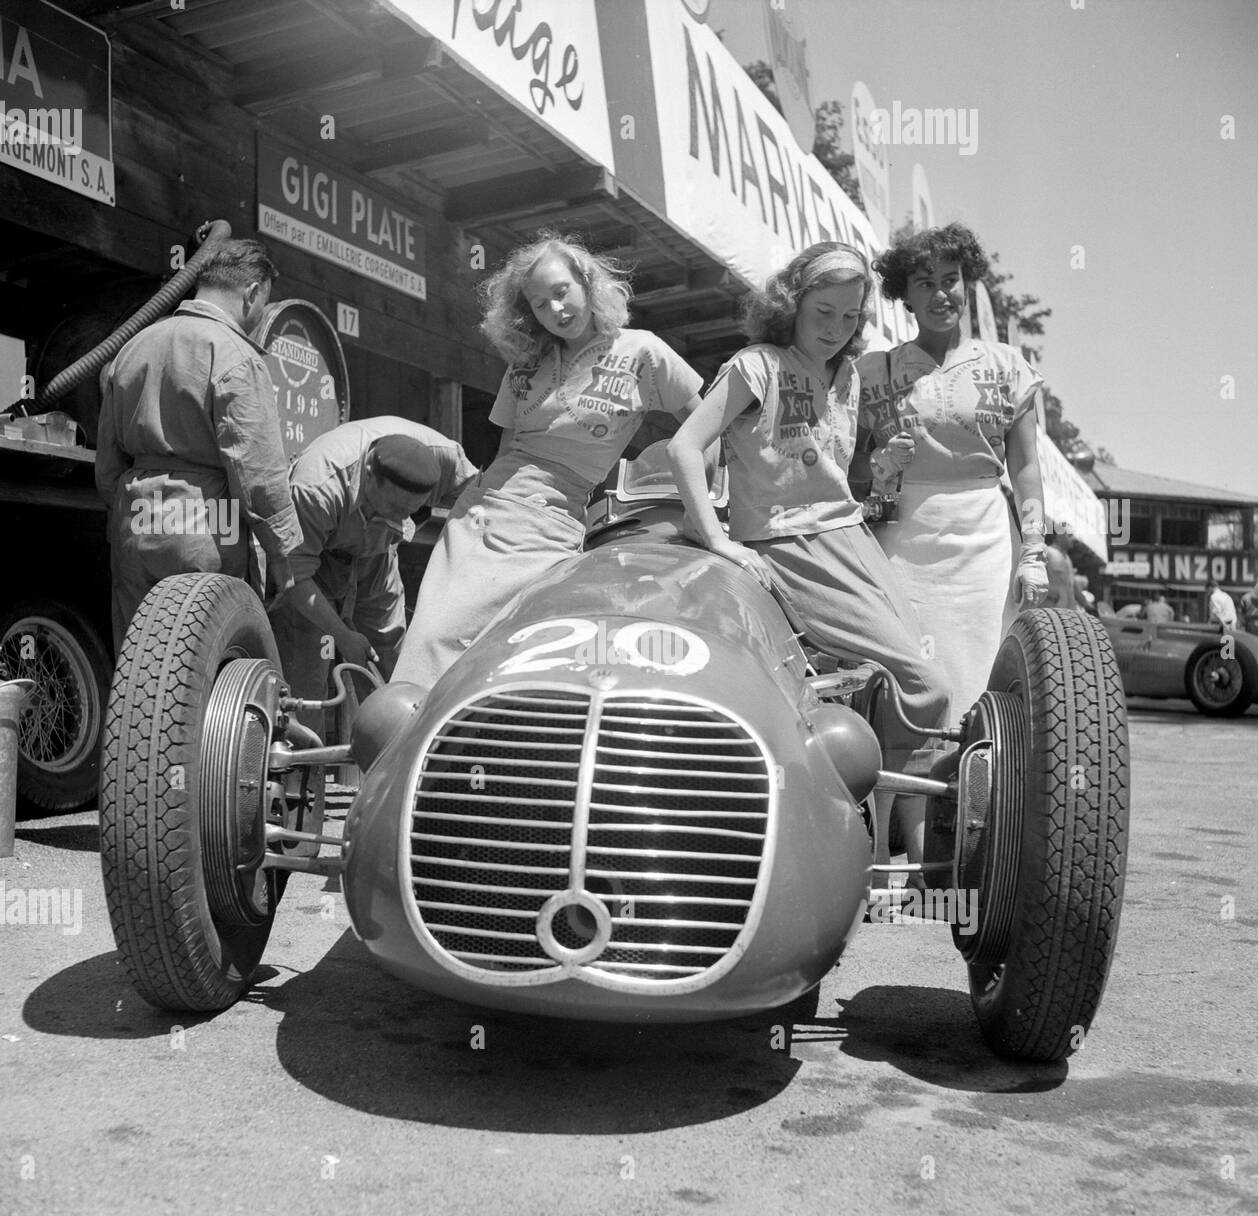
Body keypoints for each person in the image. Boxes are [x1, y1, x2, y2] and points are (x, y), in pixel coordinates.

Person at [666, 241, 950, 863]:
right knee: (925, 686)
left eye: (850, 317)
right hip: (787, 543)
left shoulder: (847, 375)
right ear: (791, 304)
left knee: (908, 684)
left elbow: (829, 479)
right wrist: (716, 538)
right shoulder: (756, 365)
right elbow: (684, 447)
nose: (835, 329)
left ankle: (874, 847)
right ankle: (866, 846)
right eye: (824, 312)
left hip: (850, 536)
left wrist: (881, 471)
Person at [392, 233, 705, 691]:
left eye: (561, 292)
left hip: (553, 524)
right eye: (539, 304)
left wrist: (706, 520)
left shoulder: (643, 352)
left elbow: (703, 428)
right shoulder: (525, 361)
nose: (555, 311)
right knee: (433, 641)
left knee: (506, 658)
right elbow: (505, 450)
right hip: (485, 515)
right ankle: (401, 744)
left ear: (587, 281)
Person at [855, 223, 1049, 728]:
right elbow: (844, 470)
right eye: (925, 283)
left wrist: (1033, 550)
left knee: (977, 666)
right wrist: (877, 466)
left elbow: (1026, 466)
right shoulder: (872, 371)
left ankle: (973, 792)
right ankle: (898, 799)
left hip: (983, 539)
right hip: (901, 536)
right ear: (905, 297)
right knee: (902, 667)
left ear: (967, 282)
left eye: (951, 278)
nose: (942, 293)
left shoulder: (1009, 366)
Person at [95, 239, 299, 649]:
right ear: (252, 292)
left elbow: (108, 463)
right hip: (207, 517)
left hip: (135, 512)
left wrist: (126, 509)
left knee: (139, 662)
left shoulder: (134, 348)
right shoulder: (235, 355)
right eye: (263, 303)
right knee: (204, 666)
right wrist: (282, 553)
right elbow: (256, 470)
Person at [270, 418, 476, 733]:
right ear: (369, 475)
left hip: (378, 555)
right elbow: (295, 577)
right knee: (309, 667)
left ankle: (396, 760)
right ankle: (306, 774)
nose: (400, 517)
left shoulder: (445, 458)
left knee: (391, 655)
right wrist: (342, 635)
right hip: (318, 563)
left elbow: (485, 498)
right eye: (393, 507)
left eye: (410, 511)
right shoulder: (317, 486)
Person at [1043, 530, 1078, 609]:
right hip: (1050, 614)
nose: (1074, 538)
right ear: (1058, 536)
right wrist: (1056, 594)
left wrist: (1086, 604)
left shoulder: (1068, 558)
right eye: (1069, 535)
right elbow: (1035, 583)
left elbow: (1073, 586)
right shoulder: (1046, 552)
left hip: (1068, 615)